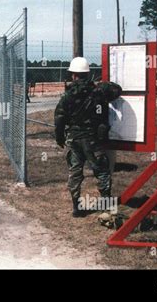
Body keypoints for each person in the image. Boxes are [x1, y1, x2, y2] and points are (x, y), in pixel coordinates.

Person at [54, 57, 121, 217]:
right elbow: (117, 90)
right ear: (88, 74)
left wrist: (59, 138)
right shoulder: (98, 91)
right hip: (93, 140)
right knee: (102, 172)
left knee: (75, 172)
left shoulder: (67, 95)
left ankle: (76, 207)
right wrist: (102, 83)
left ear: (73, 75)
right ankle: (106, 205)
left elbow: (59, 117)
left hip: (74, 139)